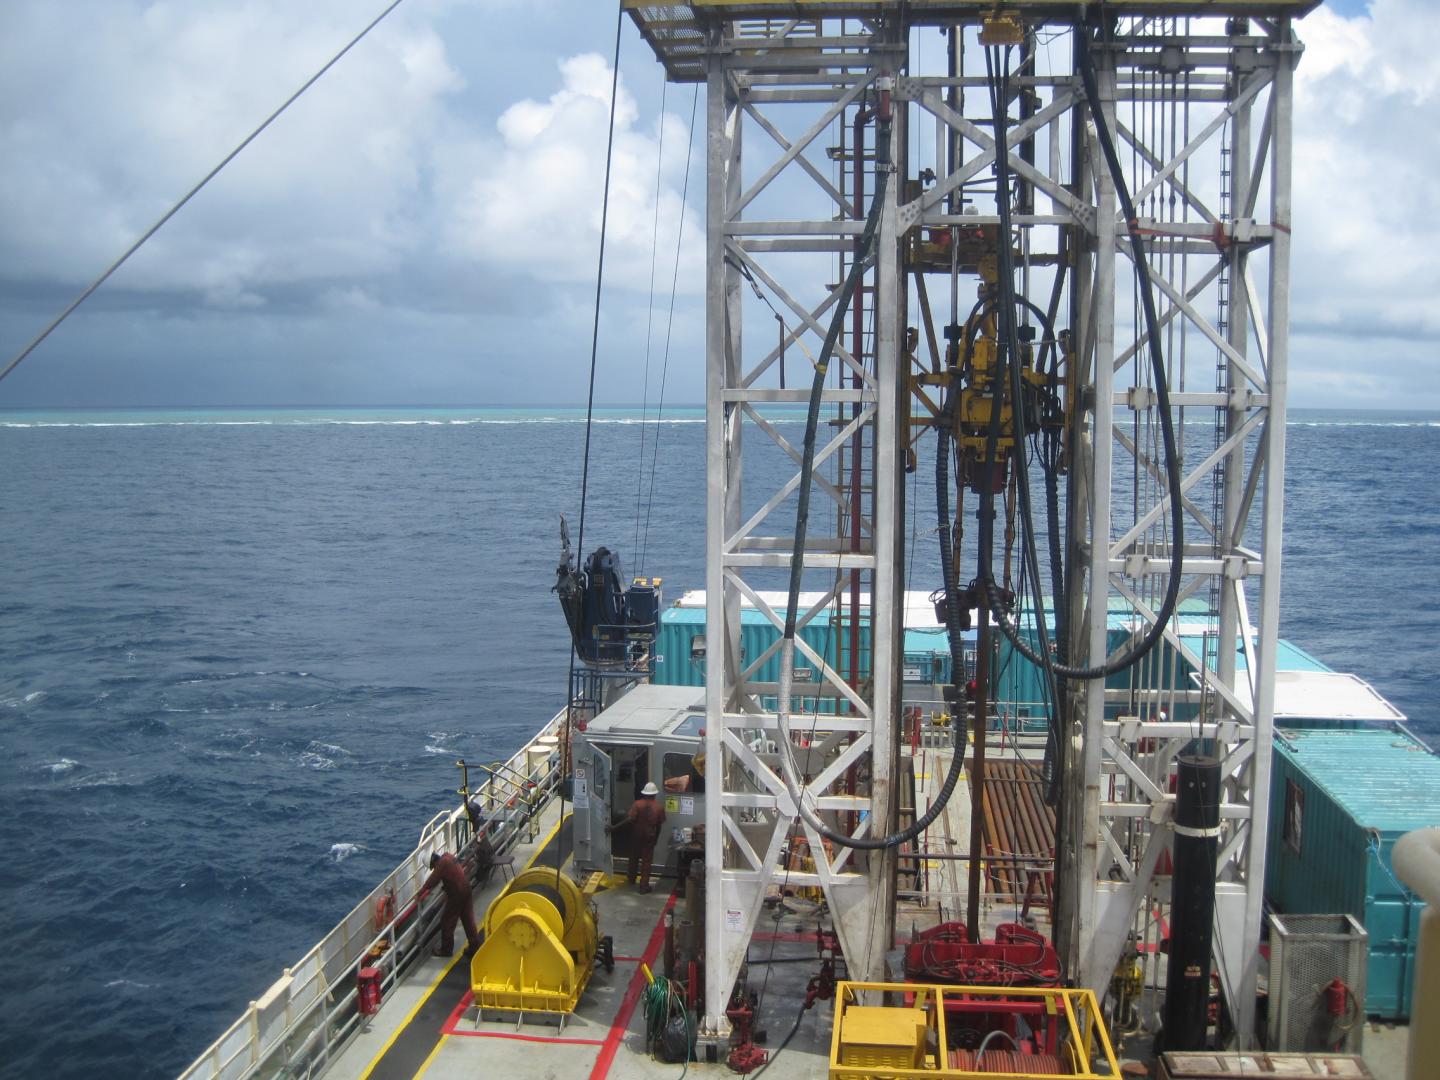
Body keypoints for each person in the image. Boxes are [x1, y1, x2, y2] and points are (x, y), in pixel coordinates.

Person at [607, 781, 667, 893]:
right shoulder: (659, 808)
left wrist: (614, 828)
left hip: (636, 834)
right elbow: (659, 826)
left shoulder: (637, 804)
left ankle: (631, 878)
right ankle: (644, 886)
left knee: (633, 857)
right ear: (655, 794)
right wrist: (656, 839)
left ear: (644, 793)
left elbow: (629, 820)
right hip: (650, 836)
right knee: (646, 861)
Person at [418, 850, 480, 957]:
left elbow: (432, 881)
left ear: (433, 862)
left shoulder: (442, 864)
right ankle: (475, 947)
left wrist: (419, 894)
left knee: (446, 921)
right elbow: (453, 873)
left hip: (457, 894)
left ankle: (446, 950)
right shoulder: (448, 856)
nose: (434, 868)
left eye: (433, 867)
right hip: (466, 888)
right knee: (468, 920)